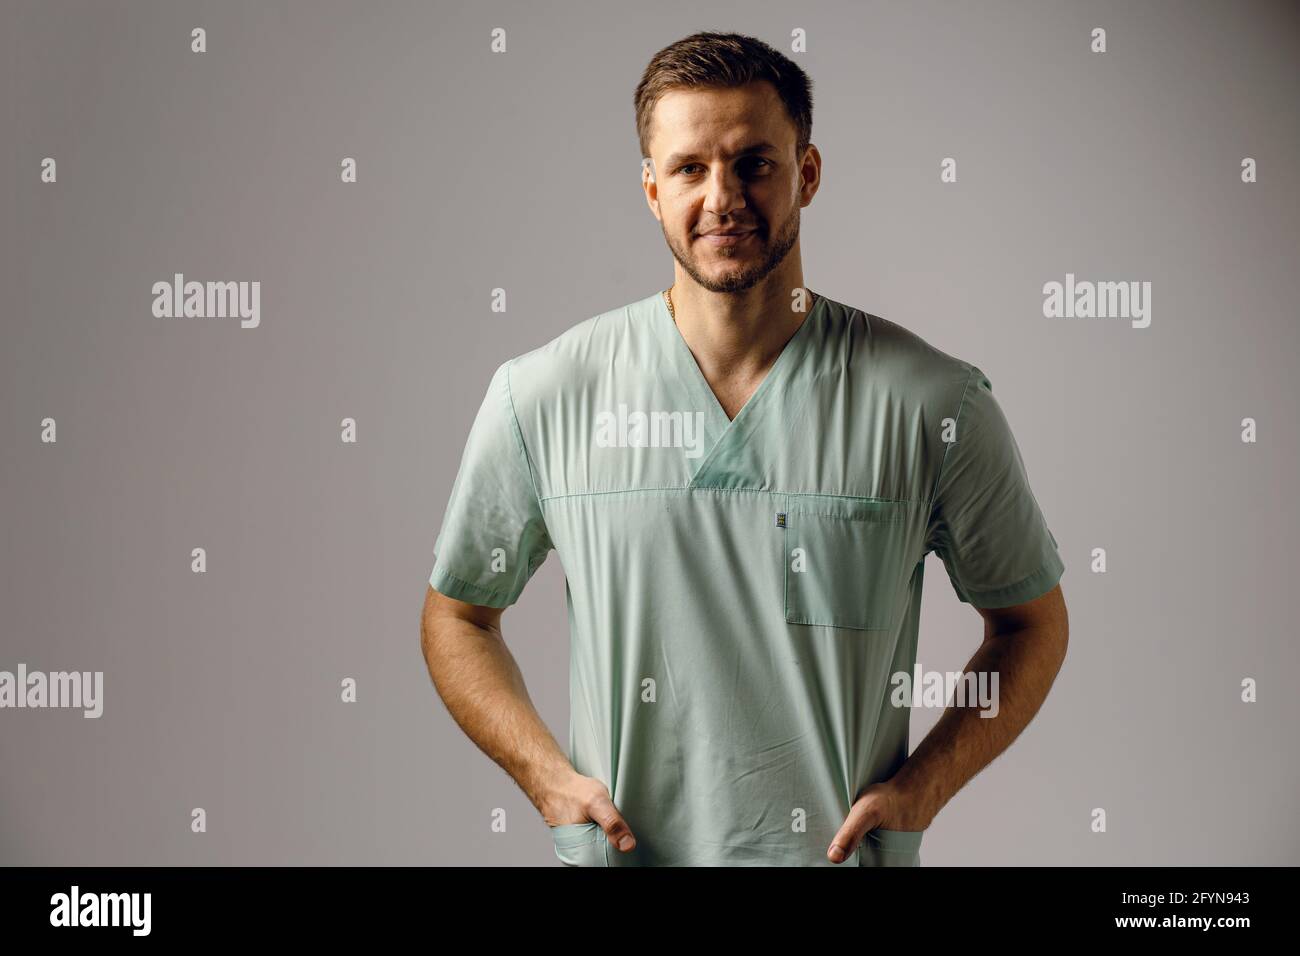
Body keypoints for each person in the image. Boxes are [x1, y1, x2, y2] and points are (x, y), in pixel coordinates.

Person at [419, 31, 1068, 866]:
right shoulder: (544, 396)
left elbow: (1031, 623)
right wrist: (547, 778)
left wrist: (923, 789)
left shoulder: (931, 403)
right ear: (652, 190)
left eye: (753, 163)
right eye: (690, 168)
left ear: (807, 173)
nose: (722, 196)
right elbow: (458, 616)